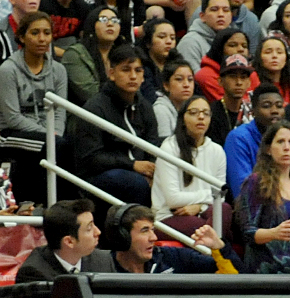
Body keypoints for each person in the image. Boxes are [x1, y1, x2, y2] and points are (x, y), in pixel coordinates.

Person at [0, 11, 68, 205]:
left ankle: (61, 205)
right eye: (35, 33)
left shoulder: (59, 70)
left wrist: (55, 135)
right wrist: (49, 136)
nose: (42, 38)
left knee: (65, 145)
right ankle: (58, 205)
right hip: (9, 135)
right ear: (21, 37)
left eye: (46, 33)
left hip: (48, 135)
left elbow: (60, 111)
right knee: (56, 146)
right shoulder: (7, 70)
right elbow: (12, 118)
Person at [75, 43, 159, 206]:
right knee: (133, 182)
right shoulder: (95, 108)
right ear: (111, 73)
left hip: (137, 172)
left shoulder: (145, 106)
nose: (133, 76)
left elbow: (152, 145)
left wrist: (150, 170)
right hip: (99, 178)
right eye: (126, 70)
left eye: (138, 70)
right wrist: (133, 165)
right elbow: (92, 158)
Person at [234, 120, 290, 274]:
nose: (286, 147)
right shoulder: (256, 182)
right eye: (280, 142)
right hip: (270, 265)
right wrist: (273, 233)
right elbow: (248, 233)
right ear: (268, 149)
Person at [152, 94, 230, 237]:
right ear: (182, 119)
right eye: (194, 113)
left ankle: (213, 253)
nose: (201, 117)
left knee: (224, 210)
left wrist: (199, 207)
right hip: (169, 216)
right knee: (205, 228)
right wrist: (209, 196)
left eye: (206, 114)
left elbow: (222, 197)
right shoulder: (170, 147)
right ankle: (216, 255)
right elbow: (173, 199)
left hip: (201, 211)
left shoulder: (217, 150)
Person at [103, 203, 242, 274]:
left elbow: (238, 278)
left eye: (152, 229)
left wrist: (220, 248)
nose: (154, 237)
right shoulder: (102, 267)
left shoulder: (172, 257)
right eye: (145, 231)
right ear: (122, 236)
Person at [15, 198, 116, 282]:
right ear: (69, 241)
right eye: (89, 229)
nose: (98, 232)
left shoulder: (104, 261)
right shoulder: (34, 273)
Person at [154, 59, 195, 140]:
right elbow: (163, 147)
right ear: (166, 85)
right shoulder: (160, 110)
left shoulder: (195, 108)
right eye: (179, 79)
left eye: (190, 80)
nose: (186, 85)